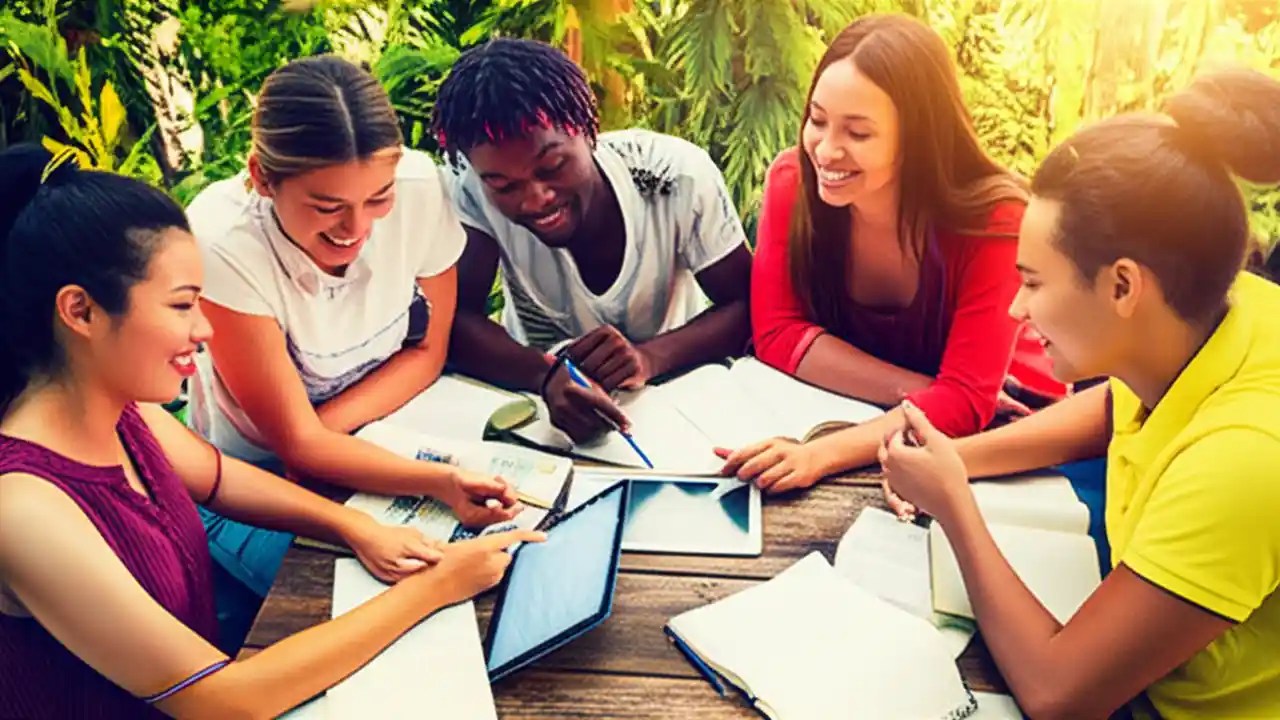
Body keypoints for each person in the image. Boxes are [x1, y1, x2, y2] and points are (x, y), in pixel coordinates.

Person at [0, 144, 543, 718]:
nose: (203, 329)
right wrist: (436, 586)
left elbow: (218, 480)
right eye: (182, 306)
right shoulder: (25, 508)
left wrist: (356, 525)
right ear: (80, 311)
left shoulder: (126, 417)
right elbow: (223, 700)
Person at [879, 69, 1280, 719]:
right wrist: (961, 457)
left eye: (1035, 282)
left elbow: (1058, 692)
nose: (1015, 308)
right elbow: (1114, 403)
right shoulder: (1221, 311)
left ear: (1123, 287)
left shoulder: (1248, 458)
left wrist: (954, 504)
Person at [185, 56, 520, 602]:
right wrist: (438, 482)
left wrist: (325, 439)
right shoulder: (223, 244)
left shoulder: (416, 185)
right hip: (261, 484)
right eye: (327, 206)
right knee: (397, 596)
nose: (357, 228)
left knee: (499, 566)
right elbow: (290, 446)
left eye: (377, 199)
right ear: (262, 177)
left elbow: (428, 352)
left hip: (381, 441)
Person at [720, 14, 1064, 494]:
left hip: (1013, 436)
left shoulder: (994, 221)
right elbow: (778, 334)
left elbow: (968, 410)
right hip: (895, 417)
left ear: (918, 137)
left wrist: (820, 454)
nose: (826, 150)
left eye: (858, 134)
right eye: (817, 121)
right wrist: (932, 391)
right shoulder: (794, 183)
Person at [432, 38, 754, 443]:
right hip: (539, 412)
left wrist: (649, 357)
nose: (535, 199)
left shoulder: (675, 177)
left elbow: (748, 303)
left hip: (673, 408)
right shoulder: (471, 192)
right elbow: (453, 319)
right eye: (502, 185)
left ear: (588, 130)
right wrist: (544, 374)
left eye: (552, 167)